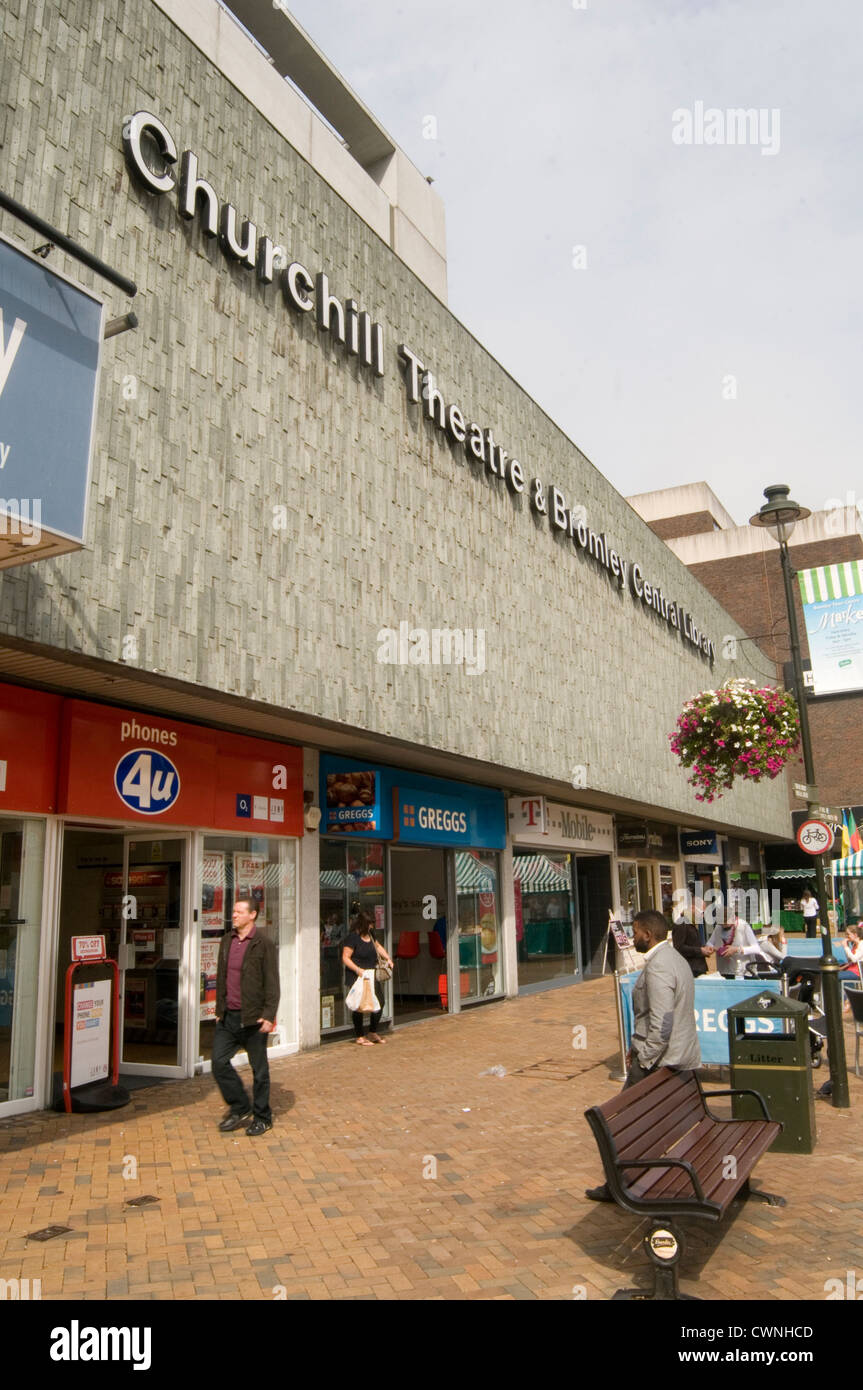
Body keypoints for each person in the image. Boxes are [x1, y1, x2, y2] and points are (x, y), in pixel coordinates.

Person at [585, 910, 701, 1201]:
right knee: (649, 1123)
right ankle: (631, 1178)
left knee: (618, 1122)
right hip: (679, 1057)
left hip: (659, 1062)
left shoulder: (660, 966)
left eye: (635, 932)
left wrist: (645, 1057)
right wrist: (635, 1045)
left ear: (648, 934)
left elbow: (663, 1021)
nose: (633, 937)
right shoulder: (676, 959)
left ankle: (618, 1184)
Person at [213, 897, 280, 1136]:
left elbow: (272, 982)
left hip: (253, 1018)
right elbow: (221, 976)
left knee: (259, 1071)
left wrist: (269, 1015)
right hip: (228, 1016)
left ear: (253, 915)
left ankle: (263, 1117)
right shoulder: (226, 940)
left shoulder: (263, 943)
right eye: (233, 911)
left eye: (240, 911)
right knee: (218, 1062)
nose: (235, 914)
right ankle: (240, 1106)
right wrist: (219, 1009)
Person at [342, 910, 393, 1045]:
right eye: (370, 924)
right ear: (364, 924)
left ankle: (372, 1032)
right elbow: (345, 957)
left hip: (371, 974)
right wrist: (358, 970)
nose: (372, 926)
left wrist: (387, 958)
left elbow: (377, 946)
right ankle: (359, 1036)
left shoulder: (370, 935)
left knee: (380, 1002)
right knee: (359, 1005)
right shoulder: (353, 938)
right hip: (357, 975)